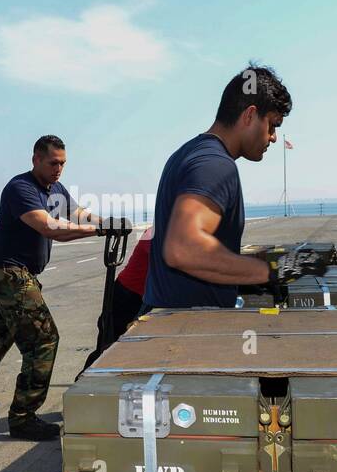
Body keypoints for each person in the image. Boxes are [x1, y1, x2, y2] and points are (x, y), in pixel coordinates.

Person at [0, 135, 102, 440]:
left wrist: (107, 221)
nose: (59, 169)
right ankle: (23, 417)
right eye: (53, 162)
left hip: (17, 275)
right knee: (44, 340)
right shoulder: (21, 188)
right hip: (10, 275)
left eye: (63, 163)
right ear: (36, 160)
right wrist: (98, 230)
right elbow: (50, 227)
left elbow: (76, 213)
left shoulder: (54, 189)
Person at [144, 65, 295, 310]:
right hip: (182, 335)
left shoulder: (189, 152)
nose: (274, 137)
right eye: (272, 125)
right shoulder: (216, 165)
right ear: (250, 115)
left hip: (168, 320)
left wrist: (245, 273)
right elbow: (183, 250)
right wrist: (270, 272)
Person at [78, 225, 152, 373]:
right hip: (126, 296)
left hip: (143, 297)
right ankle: (84, 384)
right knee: (108, 348)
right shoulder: (155, 232)